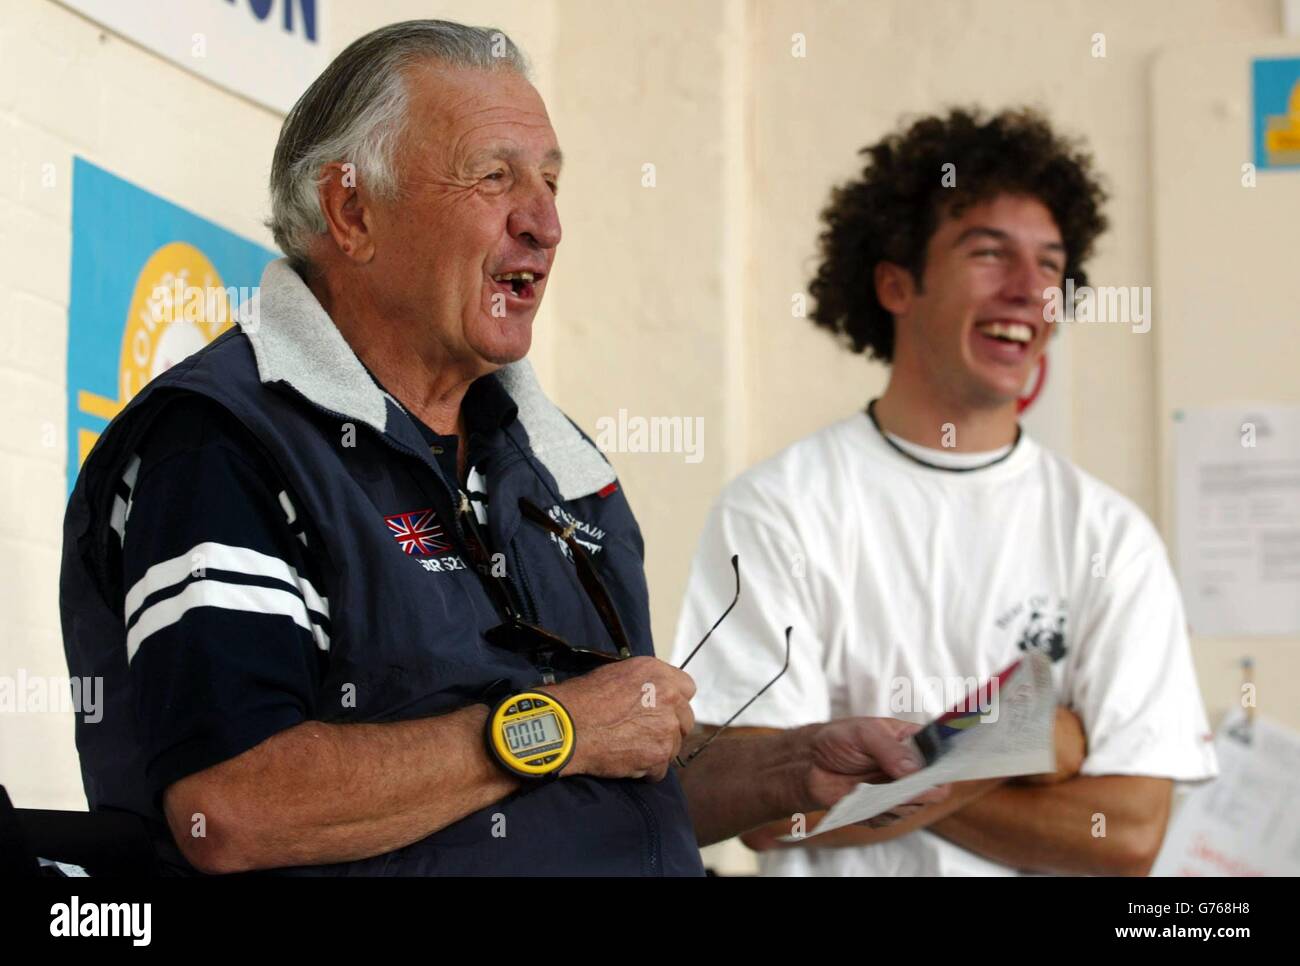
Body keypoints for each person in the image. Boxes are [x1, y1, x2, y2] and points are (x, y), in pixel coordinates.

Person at [59, 19, 941, 876]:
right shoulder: (222, 441)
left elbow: (609, 774)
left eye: (552, 182)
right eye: (494, 177)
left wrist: (794, 769)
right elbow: (234, 807)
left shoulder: (564, 467)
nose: (545, 224)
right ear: (353, 209)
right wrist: (556, 727)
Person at [672, 107, 1218, 876]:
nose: (1030, 290)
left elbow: (1124, 835)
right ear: (896, 283)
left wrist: (897, 775)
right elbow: (770, 814)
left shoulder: (1110, 537)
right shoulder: (777, 509)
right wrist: (1019, 743)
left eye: (1052, 265)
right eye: (990, 254)